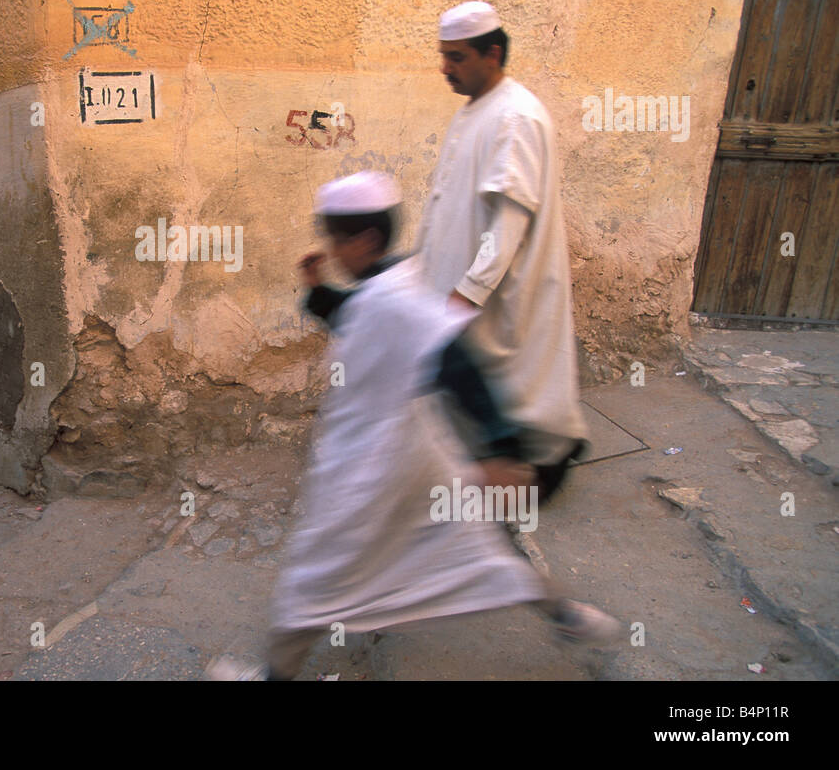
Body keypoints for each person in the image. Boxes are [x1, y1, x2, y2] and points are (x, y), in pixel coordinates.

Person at [209, 172, 620, 680]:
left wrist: (499, 449)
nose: (331, 250)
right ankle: (569, 616)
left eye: (336, 240)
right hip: (416, 455)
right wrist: (319, 293)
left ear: (364, 239)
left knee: (313, 578)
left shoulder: (396, 300)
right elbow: (359, 319)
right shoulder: (392, 286)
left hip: (375, 465)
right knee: (476, 551)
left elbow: (456, 362)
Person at [414, 1, 589, 497]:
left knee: (518, 375)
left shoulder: (516, 116)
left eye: (457, 57)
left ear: (492, 53)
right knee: (483, 380)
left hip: (498, 283)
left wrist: (470, 291)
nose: (445, 68)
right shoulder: (478, 108)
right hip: (463, 278)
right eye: (443, 55)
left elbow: (511, 215)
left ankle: (548, 460)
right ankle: (509, 456)